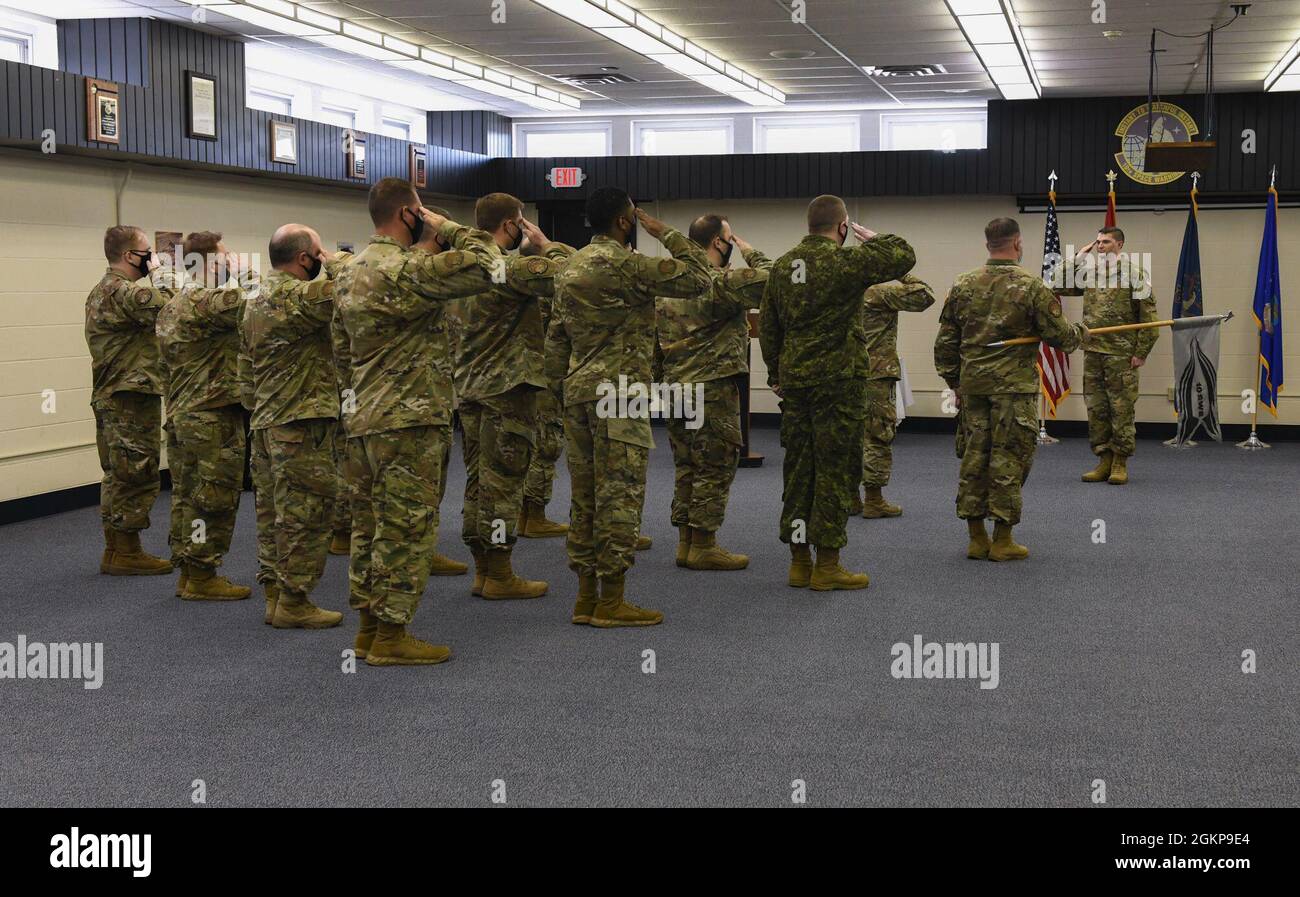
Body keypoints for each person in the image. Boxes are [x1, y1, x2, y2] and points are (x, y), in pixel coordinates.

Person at [333, 178, 501, 666]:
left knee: (368, 528)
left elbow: (341, 347)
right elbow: (491, 262)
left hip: (363, 416)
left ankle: (367, 630)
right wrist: (446, 226)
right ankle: (392, 637)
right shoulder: (409, 270)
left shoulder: (347, 270)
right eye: (421, 211)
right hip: (408, 421)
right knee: (407, 527)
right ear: (409, 214)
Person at [545, 188, 712, 627]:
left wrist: (557, 390)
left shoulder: (568, 268)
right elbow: (700, 277)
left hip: (578, 393)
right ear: (624, 221)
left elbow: (556, 337)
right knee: (620, 496)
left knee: (584, 498)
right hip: (620, 394)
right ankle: (612, 601)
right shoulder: (629, 265)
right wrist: (666, 232)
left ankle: (585, 597)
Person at [758, 195, 915, 591]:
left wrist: (776, 371)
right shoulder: (845, 262)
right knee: (834, 470)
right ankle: (827, 564)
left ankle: (798, 561)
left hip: (796, 384)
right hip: (838, 383)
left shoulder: (781, 267)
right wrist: (871, 237)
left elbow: (769, 327)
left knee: (798, 470)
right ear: (842, 228)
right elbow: (903, 255)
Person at [933, 217, 1088, 561]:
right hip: (1013, 391)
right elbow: (1061, 337)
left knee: (975, 456)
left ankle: (976, 538)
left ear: (988, 243)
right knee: (1008, 459)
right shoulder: (1031, 286)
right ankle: (1002, 540)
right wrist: (1083, 332)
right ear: (1017, 243)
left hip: (973, 389)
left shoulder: (962, 284)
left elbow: (945, 343)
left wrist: (954, 382)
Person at [450, 193, 572, 599]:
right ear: (510, 226)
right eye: (521, 222)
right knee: (502, 485)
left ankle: (483, 570)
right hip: (507, 392)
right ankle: (500, 573)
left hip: (469, 389)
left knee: (477, 483)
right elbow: (574, 276)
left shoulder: (461, 268)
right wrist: (545, 245)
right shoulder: (510, 270)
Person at [242, 224, 347, 629]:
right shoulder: (299, 296)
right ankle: (295, 600)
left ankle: (275, 595)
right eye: (317, 254)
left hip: (267, 420)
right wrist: (338, 262)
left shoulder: (253, 296)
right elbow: (356, 288)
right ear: (305, 259)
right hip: (300, 423)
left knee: (272, 514)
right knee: (307, 513)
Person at [656, 214, 770, 571]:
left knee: (687, 464)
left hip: (675, 388)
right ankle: (704, 544)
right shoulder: (721, 283)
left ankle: (686, 542)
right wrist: (752, 253)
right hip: (711, 389)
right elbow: (777, 280)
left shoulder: (668, 285)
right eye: (729, 238)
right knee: (715, 465)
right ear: (719, 243)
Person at [156, 231, 254, 600]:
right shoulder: (208, 302)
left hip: (182, 413)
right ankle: (202, 575)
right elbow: (261, 302)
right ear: (210, 262)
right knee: (215, 496)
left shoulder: (173, 304)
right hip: (211, 417)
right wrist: (246, 273)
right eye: (225, 257)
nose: (230, 262)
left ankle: (188, 569)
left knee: (186, 495)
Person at [86, 225, 181, 576]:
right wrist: (161, 271)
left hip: (117, 394)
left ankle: (117, 548)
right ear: (130, 256)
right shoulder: (122, 292)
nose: (150, 258)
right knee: (135, 473)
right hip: (129, 395)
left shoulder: (103, 290)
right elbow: (171, 306)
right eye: (146, 253)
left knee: (118, 472)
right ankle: (125, 551)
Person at [1056, 226, 1155, 485]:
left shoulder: (1134, 273)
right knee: (1097, 408)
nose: (1100, 246)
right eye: (1098, 242)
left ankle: (1120, 461)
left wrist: (1141, 352)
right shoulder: (1090, 273)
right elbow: (1056, 284)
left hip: (1121, 353)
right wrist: (1077, 257)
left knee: (1121, 409)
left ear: (1119, 244)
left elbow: (1149, 315)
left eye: (1106, 242)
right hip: (1093, 351)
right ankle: (1104, 459)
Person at [857, 274, 936, 518]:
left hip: (841, 373)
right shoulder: (878, 293)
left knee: (847, 436)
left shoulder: (835, 290)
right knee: (877, 435)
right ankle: (873, 500)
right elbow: (925, 295)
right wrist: (902, 273)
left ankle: (848, 498)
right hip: (875, 373)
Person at [518, 238, 573, 539]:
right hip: (546, 374)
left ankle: (525, 513)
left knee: (529, 442)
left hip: (524, 372)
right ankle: (534, 514)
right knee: (547, 442)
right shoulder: (547, 288)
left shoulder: (518, 282)